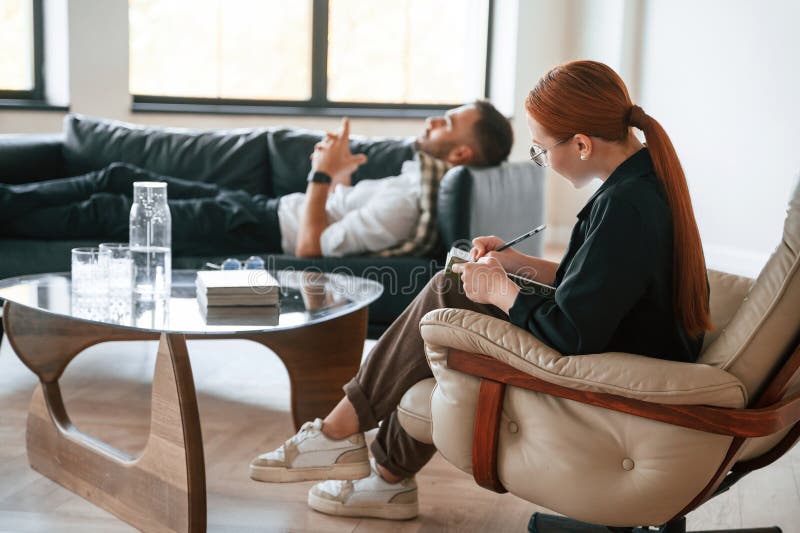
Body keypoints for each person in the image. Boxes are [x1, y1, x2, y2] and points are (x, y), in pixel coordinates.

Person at [249, 60, 712, 521]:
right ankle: (377, 469)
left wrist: (500, 291)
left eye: (541, 150)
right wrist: (516, 264)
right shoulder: (641, 182)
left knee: (452, 290)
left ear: (581, 144)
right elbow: (601, 283)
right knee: (454, 292)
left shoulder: (624, 205)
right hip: (618, 341)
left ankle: (342, 440)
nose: (543, 161)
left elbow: (572, 332)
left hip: (610, 365)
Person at [0, 100, 513, 257]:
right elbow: (332, 215)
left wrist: (320, 176)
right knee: (120, 175)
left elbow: (311, 248)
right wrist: (336, 180)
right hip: (257, 209)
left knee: (109, 211)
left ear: (461, 152)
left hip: (256, 229)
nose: (433, 120)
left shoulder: (406, 205)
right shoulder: (411, 179)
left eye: (447, 122)